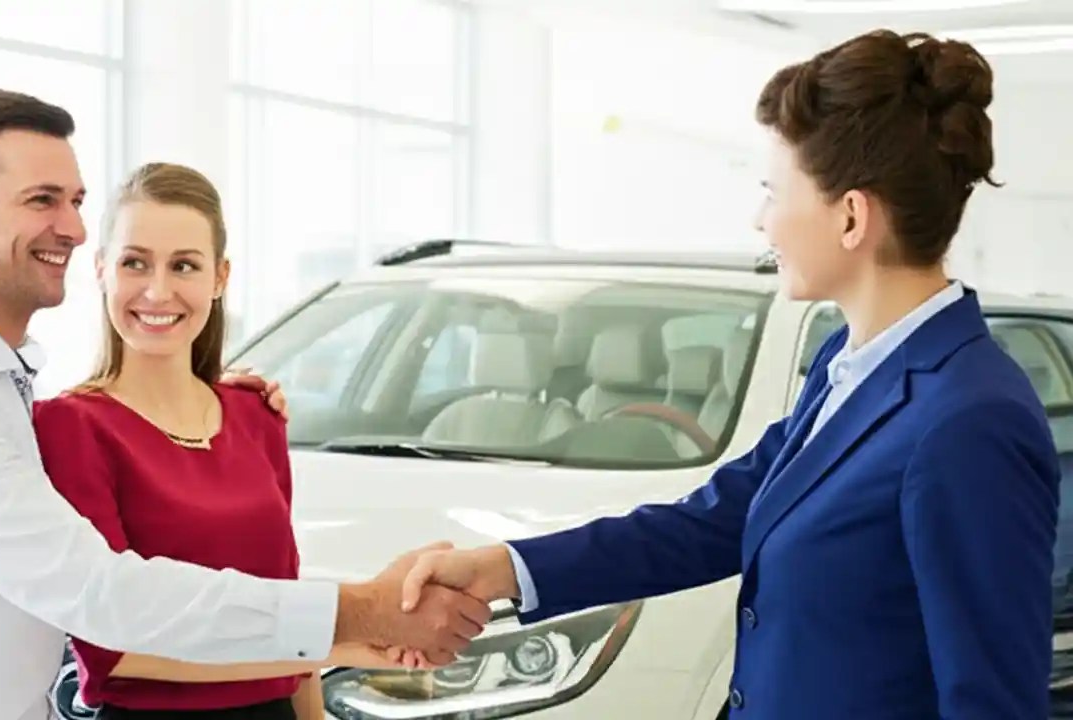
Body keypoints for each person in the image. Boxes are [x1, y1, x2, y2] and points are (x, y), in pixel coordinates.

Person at [396, 29, 1061, 719]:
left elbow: (992, 704)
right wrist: (506, 568)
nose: (761, 220)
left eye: (775, 192)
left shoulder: (970, 418)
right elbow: (716, 521)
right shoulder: (850, 365)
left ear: (852, 216)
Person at [0, 89, 488, 720]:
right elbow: (103, 599)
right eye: (42, 200)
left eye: (76, 200)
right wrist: (364, 611)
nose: (73, 228)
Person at [33, 162, 404, 720]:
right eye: (136, 263)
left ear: (220, 278)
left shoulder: (256, 414)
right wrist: (329, 641)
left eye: (184, 265)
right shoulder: (70, 428)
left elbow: (286, 591)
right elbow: (113, 651)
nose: (159, 290)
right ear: (103, 270)